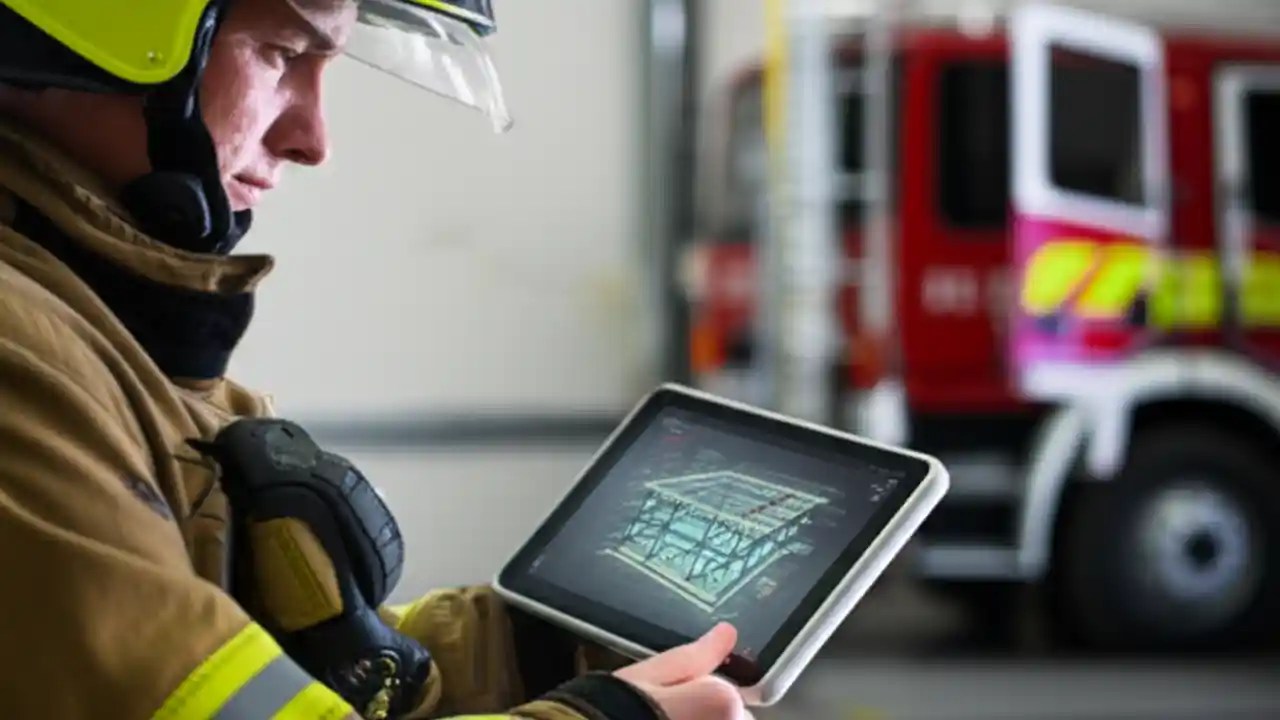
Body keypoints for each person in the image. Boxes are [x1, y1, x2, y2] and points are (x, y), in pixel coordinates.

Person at [0, 1, 753, 718]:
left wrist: (552, 646)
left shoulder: (102, 331)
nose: (312, 138)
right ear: (102, 26)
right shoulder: (22, 353)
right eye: (282, 54)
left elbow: (299, 668)